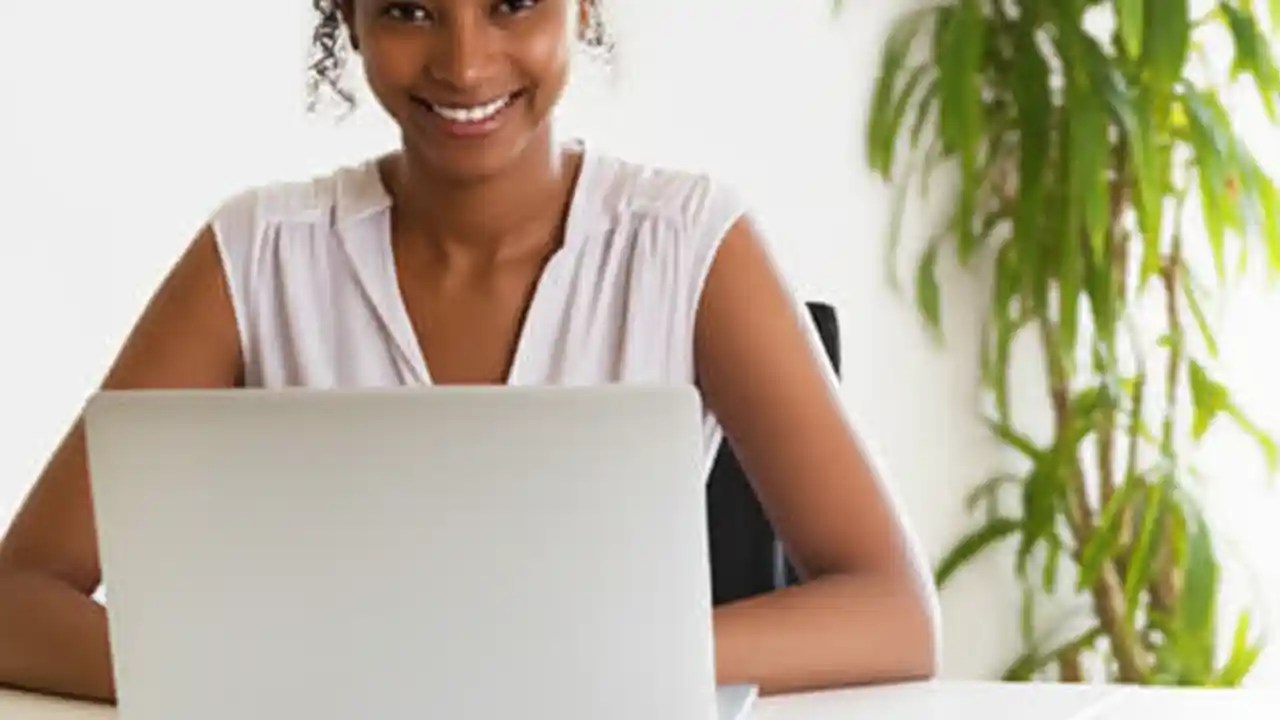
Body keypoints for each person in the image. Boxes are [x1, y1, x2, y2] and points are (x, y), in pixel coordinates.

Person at [0, 0, 940, 704]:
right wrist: (245, 684)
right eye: (410, 10)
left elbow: (892, 611)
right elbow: (17, 598)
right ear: (349, 19)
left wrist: (570, 669)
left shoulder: (687, 240)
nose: (464, 61)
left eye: (512, 3)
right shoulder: (257, 254)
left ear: (582, 9)